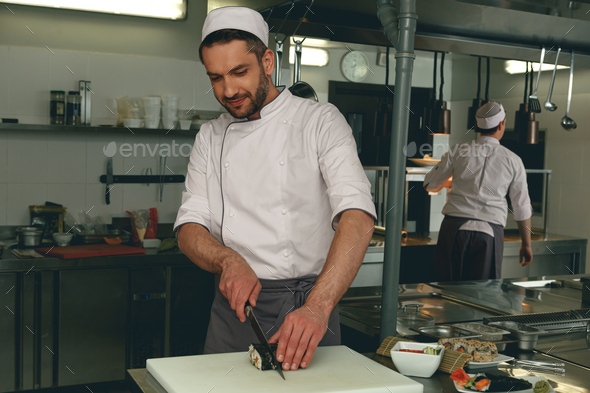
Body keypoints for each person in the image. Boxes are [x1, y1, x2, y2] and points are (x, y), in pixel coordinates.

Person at [174, 7, 376, 372]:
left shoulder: (320, 121)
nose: (229, 90)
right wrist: (228, 260)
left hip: (309, 309)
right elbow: (189, 229)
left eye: (239, 72)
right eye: (216, 78)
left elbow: (357, 218)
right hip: (236, 307)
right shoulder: (211, 135)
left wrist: (318, 307)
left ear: (267, 61)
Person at [424, 101, 533, 281]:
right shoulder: (514, 160)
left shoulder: (458, 151)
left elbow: (430, 185)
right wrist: (526, 244)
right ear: (501, 125)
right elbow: (521, 207)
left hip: (454, 229)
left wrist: (452, 181)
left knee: (447, 290)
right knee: (485, 295)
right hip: (490, 232)